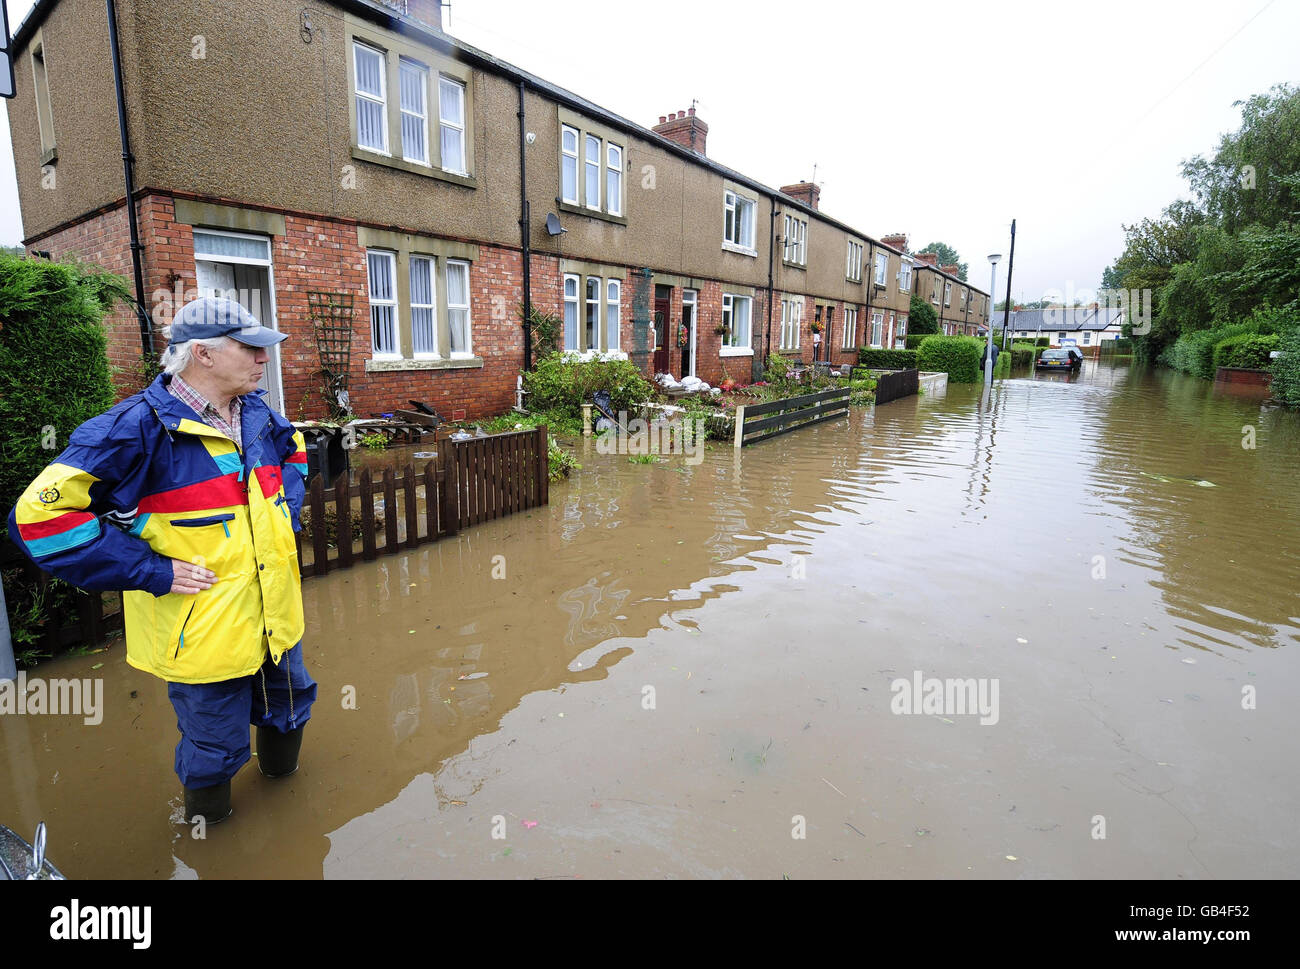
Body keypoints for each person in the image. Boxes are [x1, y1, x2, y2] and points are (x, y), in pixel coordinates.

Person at [7, 296, 317, 825]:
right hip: (202, 631)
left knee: (289, 709)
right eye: (251, 348)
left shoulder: (258, 412)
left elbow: (296, 453)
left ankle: (284, 795)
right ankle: (212, 833)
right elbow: (39, 519)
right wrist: (152, 571)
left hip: (276, 617)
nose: (265, 359)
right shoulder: (132, 429)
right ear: (204, 354)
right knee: (213, 745)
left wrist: (284, 509)